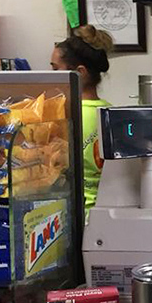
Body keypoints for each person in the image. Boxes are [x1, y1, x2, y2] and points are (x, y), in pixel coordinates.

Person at [50, 24, 113, 218]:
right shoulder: (112, 113)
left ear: (79, 72)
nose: (51, 76)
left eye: (55, 69)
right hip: (103, 217)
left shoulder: (62, 117)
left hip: (71, 219)